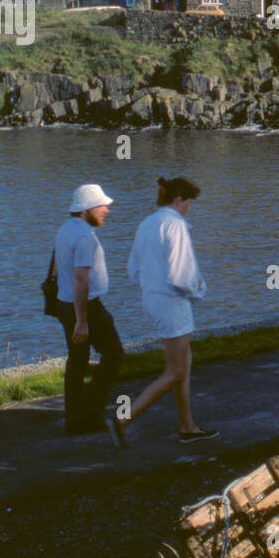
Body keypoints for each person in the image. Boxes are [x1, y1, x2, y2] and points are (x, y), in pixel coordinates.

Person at [111, 176, 217, 447]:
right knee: (176, 371)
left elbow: (133, 271)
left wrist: (154, 283)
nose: (190, 208)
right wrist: (199, 289)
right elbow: (181, 276)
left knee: (184, 365)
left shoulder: (147, 223)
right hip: (172, 302)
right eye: (189, 202)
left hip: (152, 299)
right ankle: (123, 418)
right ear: (179, 199)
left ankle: (187, 427)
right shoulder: (176, 225)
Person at [54, 183, 125, 434]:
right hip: (86, 308)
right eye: (102, 206)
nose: (107, 210)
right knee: (114, 354)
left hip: (65, 304)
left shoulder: (65, 230)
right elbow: (81, 279)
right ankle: (91, 412)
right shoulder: (85, 237)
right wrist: (82, 321)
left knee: (78, 360)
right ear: (86, 210)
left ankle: (75, 421)